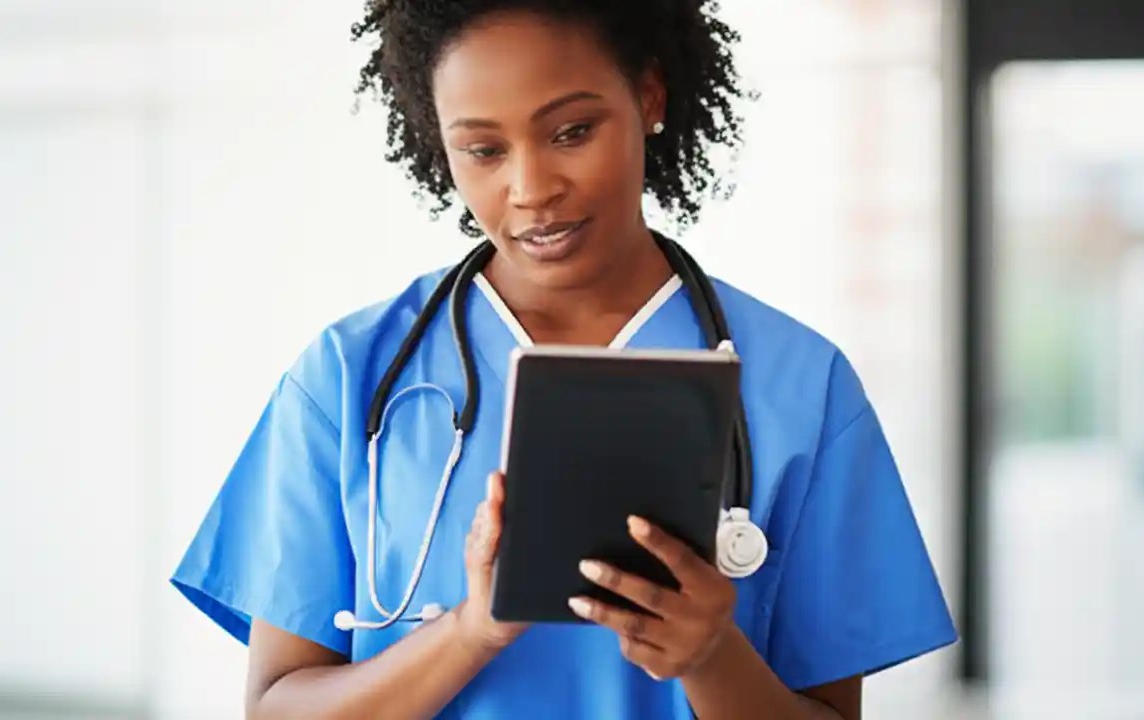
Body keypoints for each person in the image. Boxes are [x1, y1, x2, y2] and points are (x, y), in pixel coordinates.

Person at [169, 1, 959, 718]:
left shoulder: (799, 386)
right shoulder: (349, 379)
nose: (531, 186)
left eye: (572, 132)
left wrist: (710, 656)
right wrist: (472, 632)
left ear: (649, 98)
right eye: (482, 149)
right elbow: (277, 709)